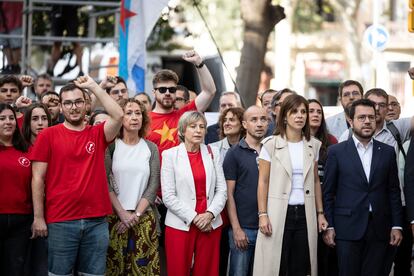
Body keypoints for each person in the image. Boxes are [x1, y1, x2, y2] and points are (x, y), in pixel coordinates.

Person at [30, 76, 123, 276]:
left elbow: (118, 115)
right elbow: (37, 178)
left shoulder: (97, 134)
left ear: (86, 105)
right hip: (61, 219)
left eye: (78, 101)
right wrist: (38, 217)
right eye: (68, 103)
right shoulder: (48, 135)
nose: (74, 107)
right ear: (61, 108)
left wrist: (93, 86)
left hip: (96, 220)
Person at [323, 99, 403, 276]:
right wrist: (330, 226)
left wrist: (397, 225)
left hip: (380, 228)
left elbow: (393, 191)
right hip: (347, 228)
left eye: (371, 117)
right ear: (351, 121)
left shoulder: (387, 152)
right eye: (361, 117)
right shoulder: (336, 152)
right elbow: (328, 192)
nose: (367, 121)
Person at [254, 94, 328, 276]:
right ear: (284, 116)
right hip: (278, 212)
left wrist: (320, 213)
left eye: (303, 112)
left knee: (301, 266)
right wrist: (263, 214)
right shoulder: (270, 145)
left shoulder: (314, 145)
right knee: (276, 266)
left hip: (305, 213)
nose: (300, 116)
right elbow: (263, 182)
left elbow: (316, 181)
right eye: (294, 111)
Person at [161, 111, 227, 276]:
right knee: (178, 271)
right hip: (180, 224)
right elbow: (168, 196)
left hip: (210, 223)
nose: (198, 130)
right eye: (193, 126)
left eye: (202, 127)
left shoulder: (213, 152)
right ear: (183, 130)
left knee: (207, 271)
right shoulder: (170, 155)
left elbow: (222, 190)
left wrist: (210, 214)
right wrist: (195, 217)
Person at [106, 98, 160, 275]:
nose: (134, 117)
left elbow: (153, 185)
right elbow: (106, 182)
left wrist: (135, 215)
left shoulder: (151, 148)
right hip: (115, 218)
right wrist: (122, 213)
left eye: (138, 113)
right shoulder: (111, 147)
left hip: (143, 218)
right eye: (129, 113)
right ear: (120, 117)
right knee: (114, 269)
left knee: (142, 270)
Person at [223, 106, 268, 276]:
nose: (259, 124)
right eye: (254, 120)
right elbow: (229, 195)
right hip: (244, 229)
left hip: (268, 228)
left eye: (263, 119)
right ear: (244, 124)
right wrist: (236, 229)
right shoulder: (234, 154)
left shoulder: (272, 151)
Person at [209, 106, 245, 276]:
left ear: (242, 124)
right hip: (219, 212)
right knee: (220, 258)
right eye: (225, 120)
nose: (227, 123)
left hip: (243, 211)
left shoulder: (252, 148)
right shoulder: (212, 148)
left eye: (232, 119)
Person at [308, 99, 338, 276]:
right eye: (311, 111)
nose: (315, 115)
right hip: (303, 206)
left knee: (326, 259)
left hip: (327, 205)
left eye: (319, 112)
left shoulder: (332, 141)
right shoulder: (295, 141)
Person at [0, 103, 31, 275]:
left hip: (22, 222)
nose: (8, 122)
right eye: (2, 118)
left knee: (16, 270)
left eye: (11, 118)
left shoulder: (27, 150)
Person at [47, 5, 83, 76]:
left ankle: (81, 71)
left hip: (71, 10)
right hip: (57, 10)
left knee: (75, 42)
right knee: (56, 43)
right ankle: (51, 70)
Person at [0, 1, 23, 74]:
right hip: (1, 18)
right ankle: (10, 65)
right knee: (4, 43)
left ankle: (15, 66)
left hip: (15, 16)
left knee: (16, 45)